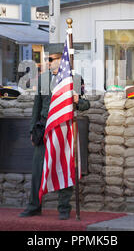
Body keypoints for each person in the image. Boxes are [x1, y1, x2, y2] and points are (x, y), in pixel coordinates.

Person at [19, 43, 90, 220]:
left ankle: (64, 207)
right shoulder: (43, 79)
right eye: (47, 60)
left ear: (61, 60)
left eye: (51, 59)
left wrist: (76, 101)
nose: (48, 63)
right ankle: (34, 205)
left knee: (64, 168)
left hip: (64, 129)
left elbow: (85, 104)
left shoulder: (74, 79)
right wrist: (32, 129)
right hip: (44, 127)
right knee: (37, 169)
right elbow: (37, 105)